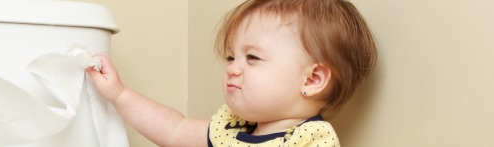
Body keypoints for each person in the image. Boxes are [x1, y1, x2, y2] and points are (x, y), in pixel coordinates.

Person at [86, 0, 376, 146]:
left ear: (311, 80)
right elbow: (174, 130)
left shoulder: (311, 139)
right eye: (230, 57)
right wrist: (120, 95)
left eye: (252, 57)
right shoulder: (231, 128)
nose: (232, 68)